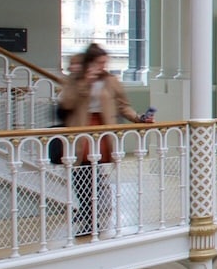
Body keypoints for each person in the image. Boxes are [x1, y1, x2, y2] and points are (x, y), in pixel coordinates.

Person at [57, 44, 157, 236]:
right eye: (100, 62)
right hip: (80, 130)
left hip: (101, 131)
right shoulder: (76, 79)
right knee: (80, 176)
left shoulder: (110, 81)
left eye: (105, 62)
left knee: (92, 175)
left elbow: (123, 106)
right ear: (90, 62)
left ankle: (90, 218)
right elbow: (67, 102)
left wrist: (139, 118)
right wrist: (85, 82)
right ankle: (88, 214)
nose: (103, 66)